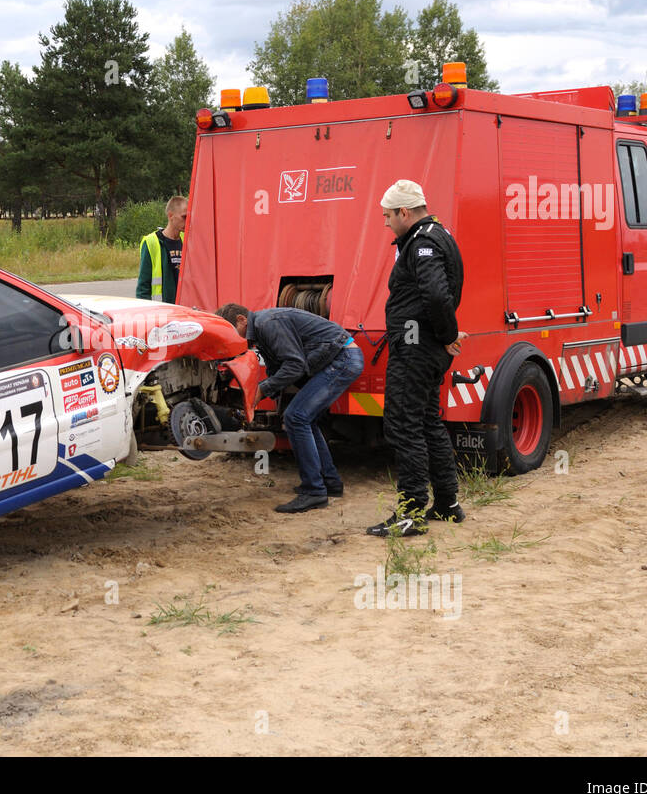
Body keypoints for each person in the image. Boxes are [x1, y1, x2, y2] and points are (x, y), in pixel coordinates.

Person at [367, 179, 468, 537]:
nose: (385, 223)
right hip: (424, 348)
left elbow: (438, 298)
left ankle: (411, 511)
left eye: (388, 216)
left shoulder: (422, 242)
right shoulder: (439, 234)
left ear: (404, 212)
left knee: (403, 425)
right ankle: (446, 503)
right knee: (427, 422)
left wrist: (448, 336)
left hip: (415, 349)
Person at [216, 303, 364, 513]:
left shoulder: (268, 324)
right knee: (305, 419)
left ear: (242, 320)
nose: (234, 339)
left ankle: (314, 491)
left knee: (296, 417)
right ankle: (330, 482)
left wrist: (261, 390)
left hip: (342, 359)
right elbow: (279, 367)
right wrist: (260, 394)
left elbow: (295, 365)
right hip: (338, 358)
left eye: (232, 332)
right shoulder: (261, 330)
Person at [136, 196, 186, 303]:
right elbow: (143, 287)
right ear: (170, 216)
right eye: (184, 217)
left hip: (183, 310)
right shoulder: (151, 242)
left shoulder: (186, 241)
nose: (187, 221)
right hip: (161, 310)